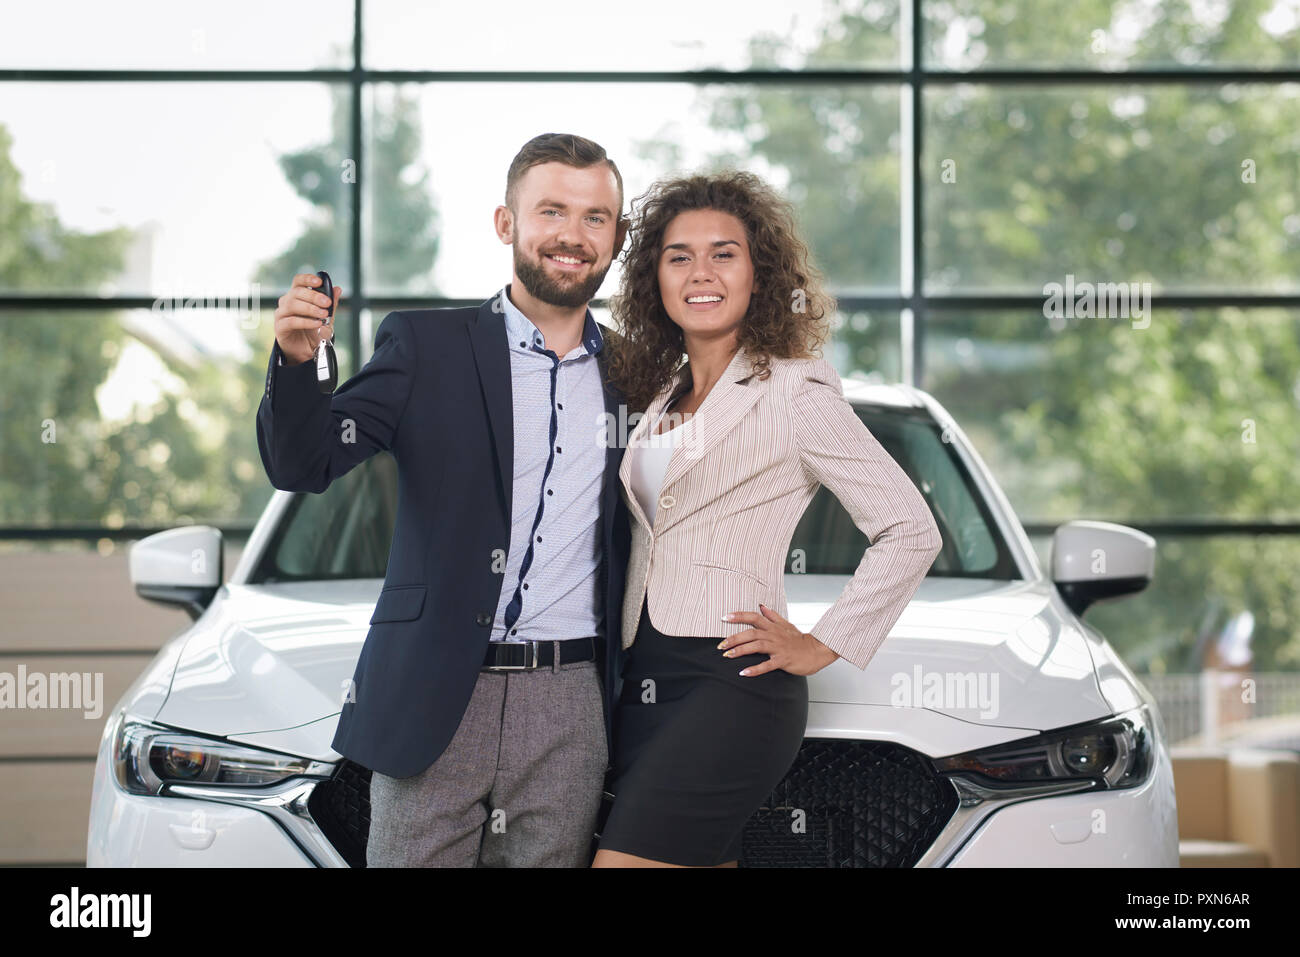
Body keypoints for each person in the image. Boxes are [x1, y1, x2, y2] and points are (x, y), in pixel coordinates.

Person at [256, 132, 633, 866]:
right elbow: (304, 461)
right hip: (436, 688)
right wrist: (298, 362)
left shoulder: (636, 373)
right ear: (506, 224)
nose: (573, 235)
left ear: (615, 237)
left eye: (596, 217)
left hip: (573, 701)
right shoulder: (426, 347)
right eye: (551, 210)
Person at [592, 170, 943, 868]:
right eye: (678, 255)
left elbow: (910, 527)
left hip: (734, 682)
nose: (702, 272)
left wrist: (824, 642)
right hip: (645, 676)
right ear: (655, 279)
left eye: (724, 253)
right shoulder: (657, 394)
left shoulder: (793, 389)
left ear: (759, 273)